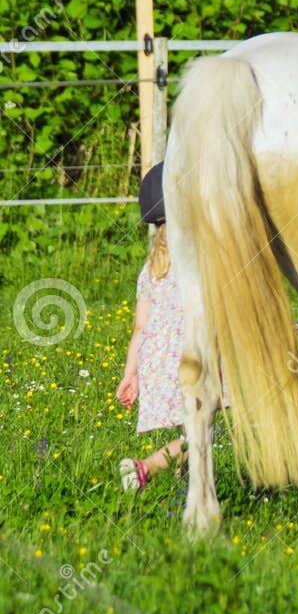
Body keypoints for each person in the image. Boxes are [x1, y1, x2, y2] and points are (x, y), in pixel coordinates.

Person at [116, 164, 218, 491]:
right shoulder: (199, 260)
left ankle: (181, 494)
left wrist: (130, 374)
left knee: (193, 427)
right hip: (188, 354)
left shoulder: (150, 270)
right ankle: (145, 467)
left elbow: (139, 329)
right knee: (204, 430)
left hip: (156, 364)